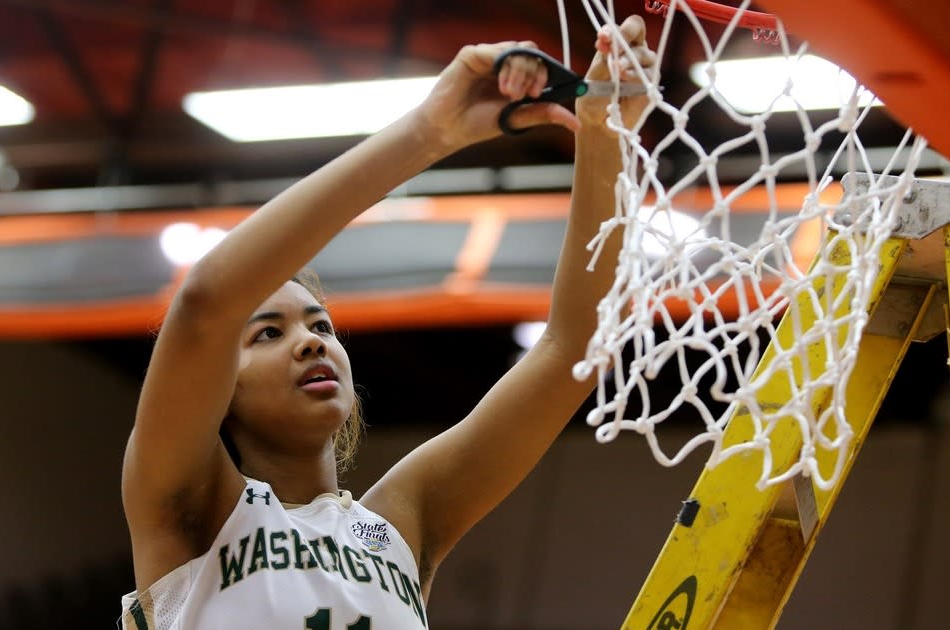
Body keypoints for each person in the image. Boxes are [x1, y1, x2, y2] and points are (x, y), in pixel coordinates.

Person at [120, 15, 655, 629]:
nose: (308, 344)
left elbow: (574, 348)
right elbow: (206, 303)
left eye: (320, 327)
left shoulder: (400, 523)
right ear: (220, 390)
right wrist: (428, 135)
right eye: (269, 332)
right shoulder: (188, 507)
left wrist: (605, 133)